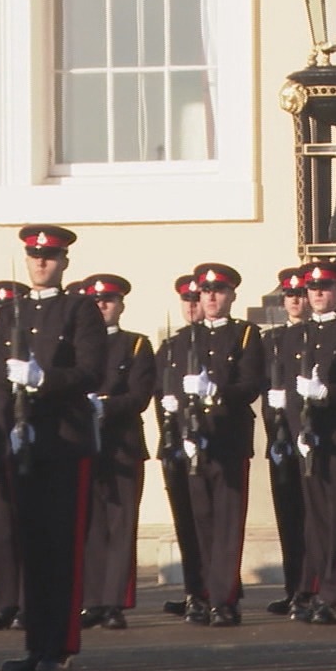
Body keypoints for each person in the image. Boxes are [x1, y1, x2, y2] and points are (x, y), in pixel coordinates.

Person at [0, 226, 103, 671]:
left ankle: (61, 645)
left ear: (63, 262)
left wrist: (45, 379)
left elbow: (91, 372)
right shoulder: (9, 312)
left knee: (62, 546)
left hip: (65, 442)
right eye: (35, 256)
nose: (41, 262)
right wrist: (6, 424)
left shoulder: (80, 309)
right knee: (32, 547)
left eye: (50, 256)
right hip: (25, 443)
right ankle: (36, 644)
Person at [159, 263, 265, 628]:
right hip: (193, 444)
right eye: (206, 292)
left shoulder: (245, 335)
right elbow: (166, 390)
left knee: (227, 524)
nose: (211, 298)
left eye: (219, 291)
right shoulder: (180, 341)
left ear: (232, 295)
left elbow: (251, 384)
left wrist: (216, 392)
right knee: (200, 522)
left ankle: (225, 599)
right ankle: (202, 595)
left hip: (228, 439)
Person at [278, 261, 336, 625]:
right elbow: (289, 392)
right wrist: (297, 432)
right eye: (313, 288)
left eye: (325, 287)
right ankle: (317, 590)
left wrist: (326, 393)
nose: (318, 294)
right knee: (314, 521)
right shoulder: (295, 336)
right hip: (309, 440)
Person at [75, 274, 155, 631]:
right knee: (91, 525)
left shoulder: (135, 345)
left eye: (109, 300)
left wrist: (104, 406)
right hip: (84, 443)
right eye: (95, 300)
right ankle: (92, 600)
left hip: (122, 445)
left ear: (121, 305)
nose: (102, 305)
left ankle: (115, 602)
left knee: (121, 526)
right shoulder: (76, 346)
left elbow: (139, 396)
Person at [155, 274, 207, 621]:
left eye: (195, 299)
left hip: (204, 444)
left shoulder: (213, 341)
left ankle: (213, 592)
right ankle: (193, 592)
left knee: (209, 525)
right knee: (185, 524)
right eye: (185, 300)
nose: (190, 306)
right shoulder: (171, 347)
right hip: (175, 445)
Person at [261, 267, 312, 619]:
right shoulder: (272, 339)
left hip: (309, 437)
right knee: (288, 516)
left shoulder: (316, 335)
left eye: (300, 294)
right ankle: (293, 588)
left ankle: (311, 588)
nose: (295, 301)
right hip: (280, 438)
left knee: (312, 518)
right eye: (289, 296)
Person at [0, 280, 25, 629]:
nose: (0, 313)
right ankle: (4, 601)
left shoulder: (27, 336)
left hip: (26, 436)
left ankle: (28, 600)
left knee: (27, 524)